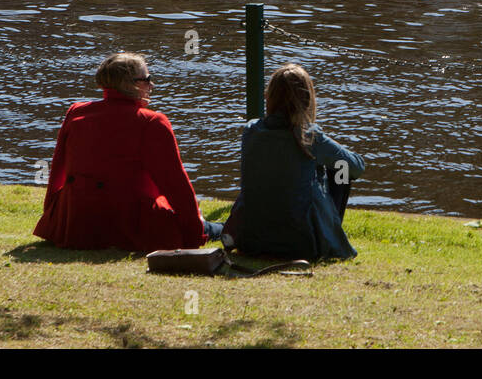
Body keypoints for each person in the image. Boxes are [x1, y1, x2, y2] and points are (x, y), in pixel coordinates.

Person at [33, 52, 222, 251]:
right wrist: (195, 231)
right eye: (147, 79)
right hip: (126, 224)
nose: (152, 85)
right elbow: (176, 184)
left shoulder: (77, 111)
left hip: (75, 222)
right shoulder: (151, 122)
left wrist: (53, 218)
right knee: (217, 228)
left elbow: (57, 172)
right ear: (130, 84)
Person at [224, 63, 365, 261]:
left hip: (251, 240)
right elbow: (356, 167)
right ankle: (331, 235)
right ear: (307, 100)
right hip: (302, 246)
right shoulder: (309, 136)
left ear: (269, 97)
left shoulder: (250, 131)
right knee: (340, 169)